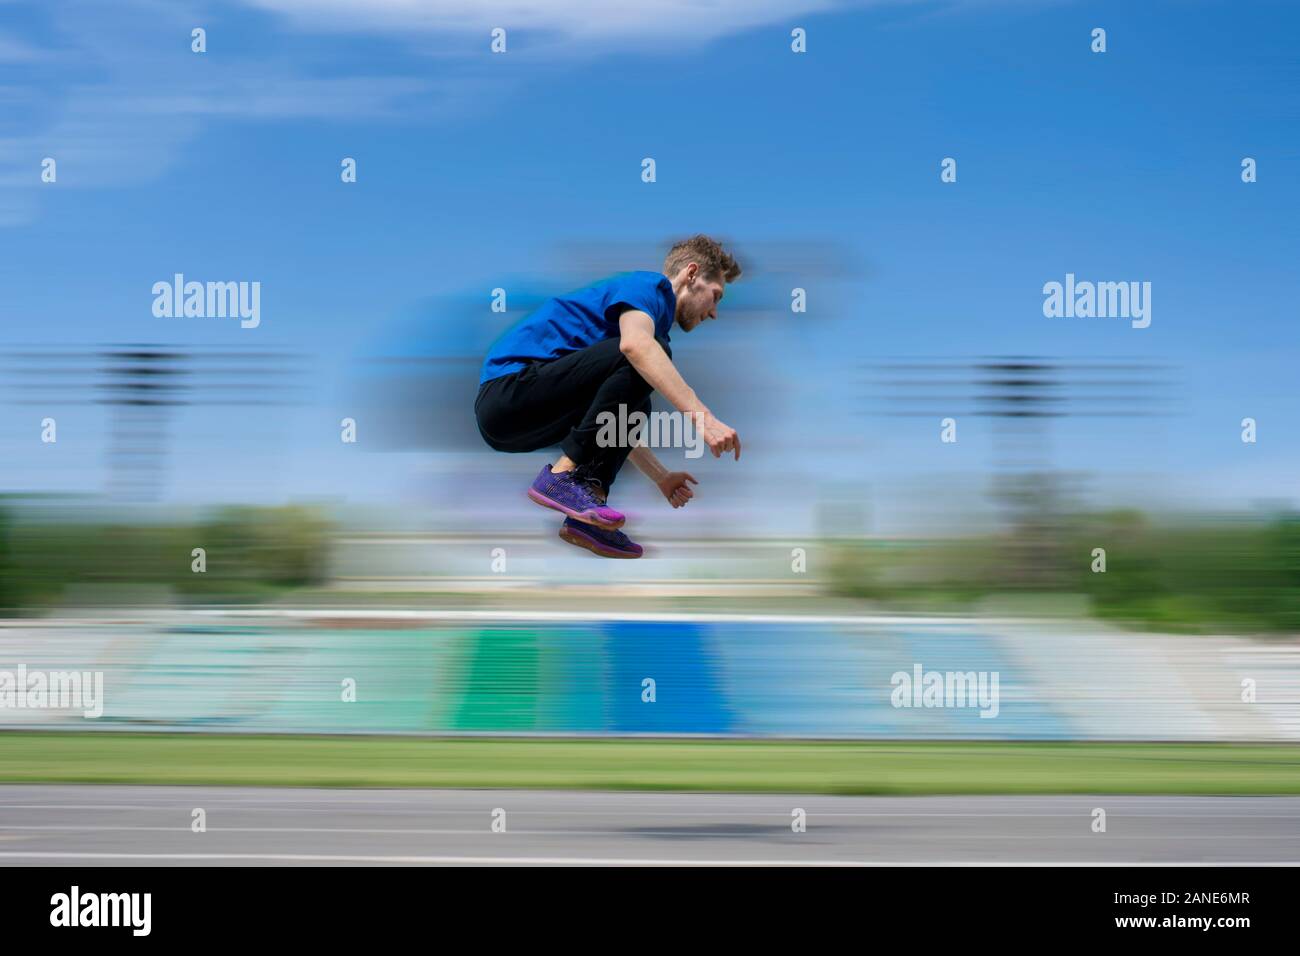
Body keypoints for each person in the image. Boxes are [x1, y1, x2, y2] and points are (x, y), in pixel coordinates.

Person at [474, 235, 742, 558]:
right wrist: (703, 418)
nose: (714, 312)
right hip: (507, 391)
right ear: (691, 274)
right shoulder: (648, 288)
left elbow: (611, 420)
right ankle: (560, 476)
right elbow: (634, 347)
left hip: (512, 421)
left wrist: (662, 477)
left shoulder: (640, 330)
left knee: (640, 392)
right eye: (716, 296)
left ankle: (589, 515)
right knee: (648, 354)